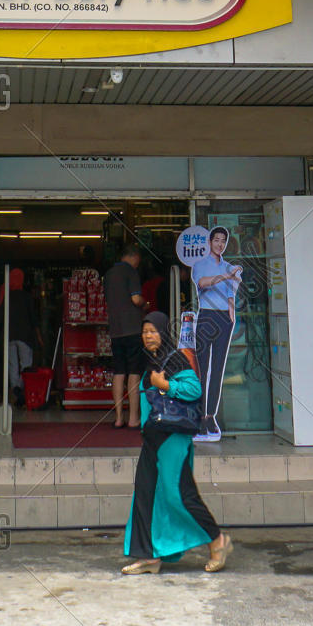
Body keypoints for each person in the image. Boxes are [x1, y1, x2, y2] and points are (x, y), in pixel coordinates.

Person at [122, 312, 231, 574]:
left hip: (173, 438)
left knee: (177, 494)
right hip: (153, 436)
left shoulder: (175, 359)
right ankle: (148, 556)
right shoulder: (151, 359)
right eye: (145, 331)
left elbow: (194, 390)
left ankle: (217, 541)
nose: (148, 336)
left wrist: (166, 385)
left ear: (163, 333)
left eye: (153, 331)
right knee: (146, 493)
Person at [190, 226, 241, 442]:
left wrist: (232, 315)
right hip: (207, 316)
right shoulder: (200, 265)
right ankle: (200, 415)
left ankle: (210, 415)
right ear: (210, 242)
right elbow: (203, 283)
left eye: (223, 241)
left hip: (224, 318)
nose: (220, 244)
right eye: (217, 240)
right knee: (203, 368)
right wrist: (227, 275)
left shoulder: (229, 266)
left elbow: (231, 294)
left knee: (218, 368)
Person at [103, 245, 146, 428]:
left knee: (119, 373)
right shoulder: (131, 272)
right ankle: (133, 418)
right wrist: (146, 304)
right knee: (134, 373)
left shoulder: (109, 274)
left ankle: (119, 417)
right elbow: (136, 299)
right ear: (134, 257)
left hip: (116, 330)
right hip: (133, 329)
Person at [6, 267, 41, 405]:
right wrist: (38, 336)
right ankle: (23, 391)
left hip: (9, 336)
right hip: (24, 337)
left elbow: (0, 317)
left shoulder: (7, 297)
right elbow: (33, 318)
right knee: (25, 365)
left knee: (12, 365)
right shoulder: (27, 297)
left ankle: (15, 389)